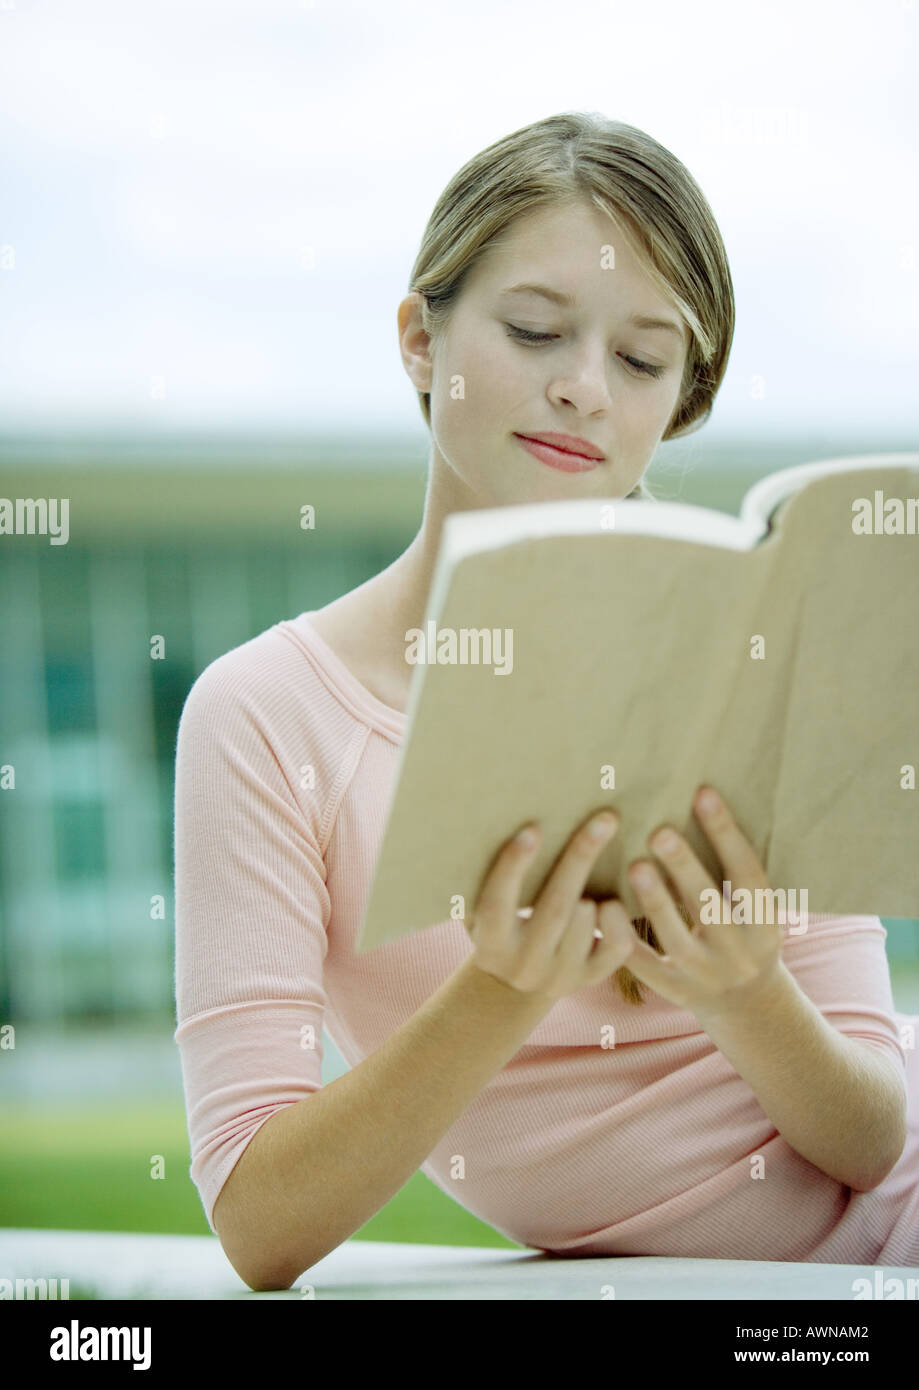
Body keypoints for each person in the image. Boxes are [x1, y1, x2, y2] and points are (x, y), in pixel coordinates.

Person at [173, 112, 919, 1291]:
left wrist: (746, 992)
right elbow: (260, 1225)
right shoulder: (269, 717)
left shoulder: (760, 668)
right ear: (420, 341)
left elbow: (874, 1140)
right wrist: (501, 989)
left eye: (641, 360)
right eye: (534, 332)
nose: (581, 390)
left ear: (677, 401)